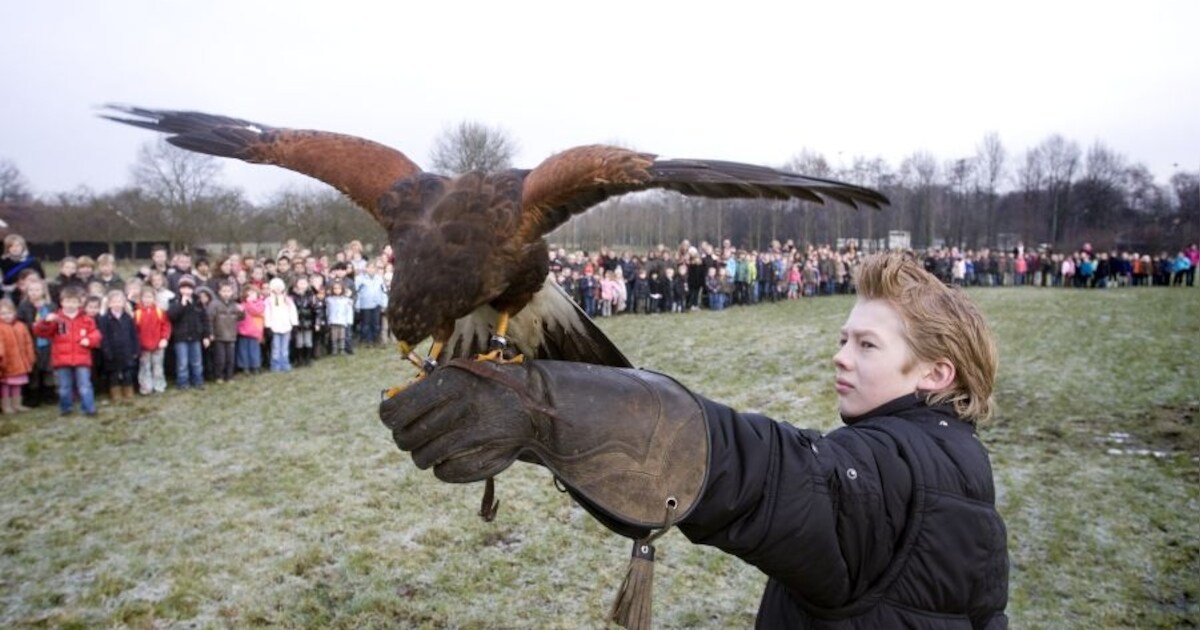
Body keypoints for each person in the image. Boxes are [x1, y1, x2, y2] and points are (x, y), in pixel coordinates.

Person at [381, 252, 1008, 628]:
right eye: (844, 338)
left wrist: (549, 406)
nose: (841, 356)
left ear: (936, 373)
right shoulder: (950, 457)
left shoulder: (906, 472)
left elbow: (778, 476)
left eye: (867, 345)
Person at [32, 286, 102, 416]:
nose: (70, 305)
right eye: (67, 301)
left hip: (82, 359)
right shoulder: (56, 318)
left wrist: (89, 340)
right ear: (62, 302)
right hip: (62, 360)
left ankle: (89, 408)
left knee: (85, 385)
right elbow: (40, 332)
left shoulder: (86, 319)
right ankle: (66, 408)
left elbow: (96, 334)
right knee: (64, 387)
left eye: (74, 301)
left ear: (79, 303)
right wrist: (45, 322)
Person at [167, 275, 211, 390]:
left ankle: (198, 381)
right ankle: (183, 382)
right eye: (183, 288)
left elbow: (204, 319)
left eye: (189, 288)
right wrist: (182, 305)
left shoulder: (197, 301)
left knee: (196, 361)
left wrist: (206, 335)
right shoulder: (174, 301)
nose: (186, 291)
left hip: (195, 336)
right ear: (179, 288)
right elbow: (172, 316)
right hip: (180, 337)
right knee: (182, 363)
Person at [97, 290, 139, 400]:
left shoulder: (128, 318)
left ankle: (128, 391)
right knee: (113, 374)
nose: (117, 304)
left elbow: (133, 335)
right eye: (114, 302)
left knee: (127, 372)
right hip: (112, 351)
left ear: (124, 303)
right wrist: (106, 351)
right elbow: (103, 337)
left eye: (119, 301)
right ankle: (116, 393)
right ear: (109, 304)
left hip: (126, 350)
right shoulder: (104, 319)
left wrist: (135, 350)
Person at [0, 299, 36, 414]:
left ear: (14, 312)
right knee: (6, 386)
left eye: (9, 313)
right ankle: (6, 406)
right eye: (3, 313)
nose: (6, 316)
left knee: (17, 384)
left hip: (20, 361)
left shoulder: (21, 326)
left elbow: (28, 342)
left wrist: (30, 357)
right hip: (6, 362)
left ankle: (17, 404)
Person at [134, 286, 172, 395]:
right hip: (143, 346)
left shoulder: (160, 312)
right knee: (145, 367)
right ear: (141, 298)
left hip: (158, 345)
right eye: (145, 297)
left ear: (154, 299)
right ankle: (146, 387)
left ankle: (159, 386)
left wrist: (164, 338)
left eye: (150, 297)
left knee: (158, 366)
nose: (147, 300)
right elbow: (135, 330)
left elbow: (165, 326)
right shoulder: (137, 313)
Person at [207, 281, 244, 383]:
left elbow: (241, 318)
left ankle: (230, 376)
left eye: (228, 291)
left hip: (231, 335)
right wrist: (211, 333)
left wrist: (242, 311)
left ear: (232, 292)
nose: (226, 293)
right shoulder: (214, 304)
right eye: (224, 291)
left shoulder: (234, 304)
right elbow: (209, 319)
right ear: (219, 292)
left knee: (230, 358)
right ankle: (219, 376)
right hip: (219, 335)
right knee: (220, 358)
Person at [263, 277, 298, 372]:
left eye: (280, 287)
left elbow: (293, 312)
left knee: (285, 348)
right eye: (275, 287)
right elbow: (267, 314)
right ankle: (275, 365)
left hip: (286, 327)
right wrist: (268, 326)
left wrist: (294, 324)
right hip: (274, 327)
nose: (278, 289)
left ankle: (285, 364)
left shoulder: (288, 300)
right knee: (276, 348)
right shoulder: (268, 301)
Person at [1, 234, 45, 303]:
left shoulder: (33, 261)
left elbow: (42, 278)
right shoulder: (4, 262)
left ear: (23, 247)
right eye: (11, 246)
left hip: (31, 293)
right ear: (7, 248)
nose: (15, 248)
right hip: (12, 294)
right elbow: (5, 280)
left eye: (17, 245)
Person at [236, 284, 266, 375]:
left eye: (253, 293)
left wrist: (249, 303)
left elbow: (256, 311)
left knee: (254, 350)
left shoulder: (260, 304)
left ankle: (255, 366)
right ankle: (245, 367)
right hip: (243, 331)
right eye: (248, 294)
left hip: (254, 332)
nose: (251, 296)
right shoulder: (241, 305)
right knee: (243, 350)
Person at [325, 279, 354, 356]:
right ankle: (334, 349)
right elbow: (327, 311)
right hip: (333, 321)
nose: (337, 290)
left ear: (342, 289)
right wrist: (328, 320)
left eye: (339, 288)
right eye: (335, 289)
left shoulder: (346, 300)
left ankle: (342, 349)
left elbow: (349, 311)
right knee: (334, 336)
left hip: (342, 321)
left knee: (342, 336)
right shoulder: (329, 300)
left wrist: (349, 321)